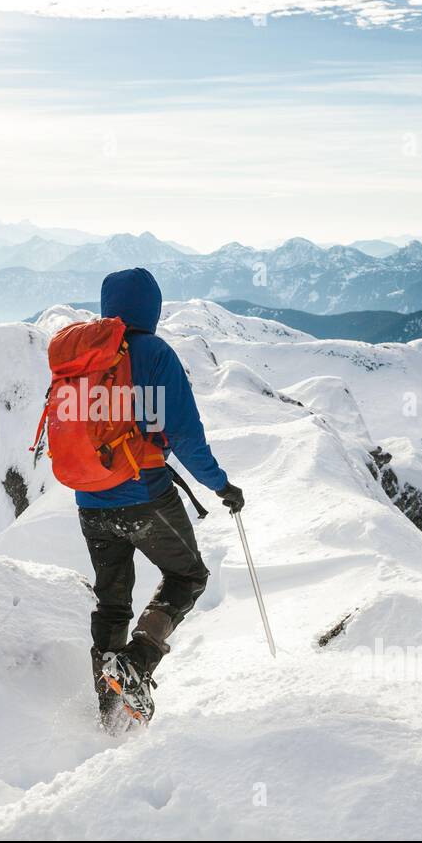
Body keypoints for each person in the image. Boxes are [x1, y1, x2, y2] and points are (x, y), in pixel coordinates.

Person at [78, 267, 243, 728]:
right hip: (145, 495)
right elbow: (187, 437)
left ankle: (108, 710)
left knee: (112, 602)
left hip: (89, 502)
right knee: (187, 576)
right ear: (151, 307)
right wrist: (221, 485)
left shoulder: (84, 357)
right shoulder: (154, 353)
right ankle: (135, 665)